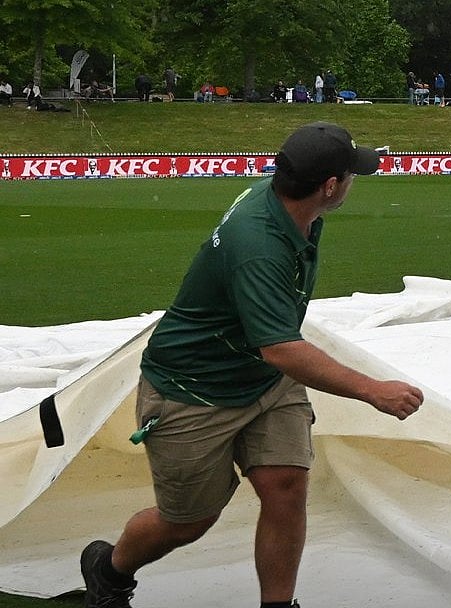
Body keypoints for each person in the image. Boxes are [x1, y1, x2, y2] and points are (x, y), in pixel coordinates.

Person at [78, 122, 424, 608]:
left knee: (285, 485)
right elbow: (281, 348)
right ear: (329, 186)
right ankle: (109, 570)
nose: (354, 181)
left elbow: (276, 353)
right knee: (187, 521)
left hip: (265, 381)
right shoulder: (258, 245)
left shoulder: (290, 205)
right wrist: (372, 389)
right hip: (193, 388)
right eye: (351, 173)